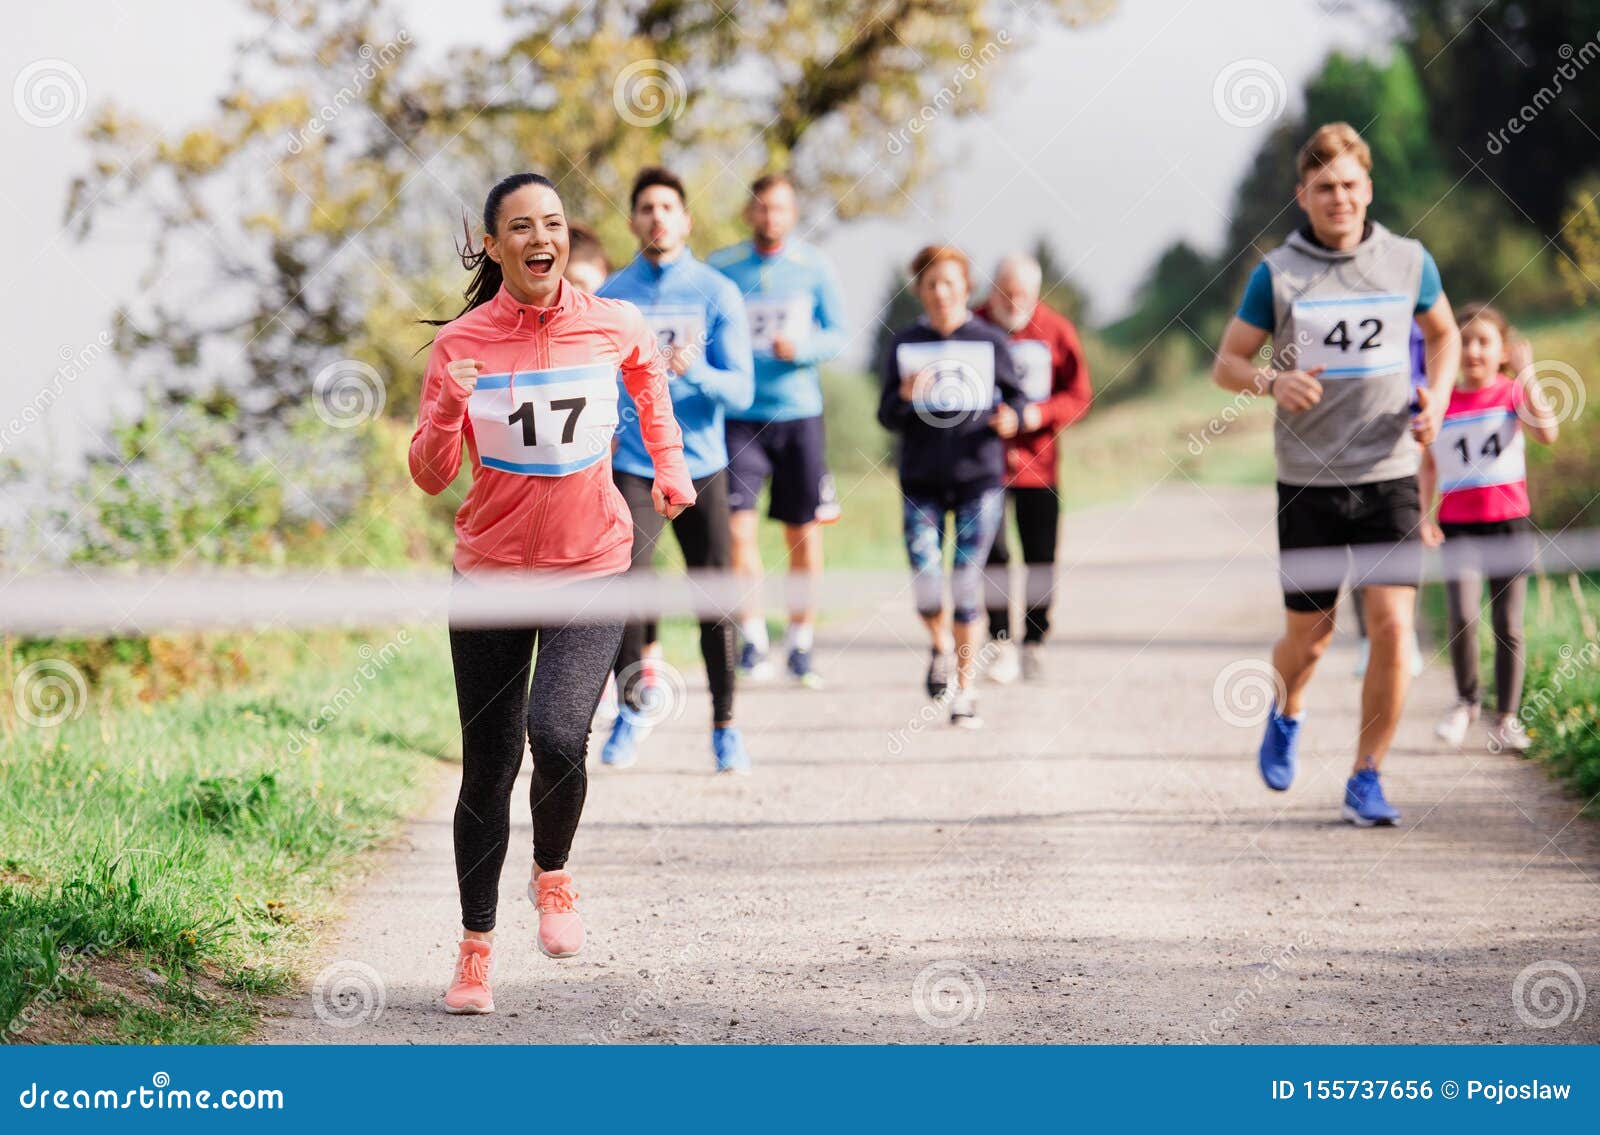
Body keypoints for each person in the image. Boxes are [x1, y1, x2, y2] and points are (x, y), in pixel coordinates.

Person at [409, 173, 694, 1014]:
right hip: (490, 577)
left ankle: (554, 874)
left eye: (555, 223)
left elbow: (649, 383)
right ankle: (474, 948)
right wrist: (446, 412)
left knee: (560, 731)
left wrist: (669, 464)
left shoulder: (613, 322)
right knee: (488, 768)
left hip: (592, 563)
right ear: (494, 247)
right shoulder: (463, 342)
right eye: (521, 227)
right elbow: (430, 476)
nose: (544, 238)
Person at [1211, 121, 1461, 827]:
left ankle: (1366, 774)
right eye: (1325, 188)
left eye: (1350, 185)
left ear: (1369, 188)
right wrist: (1270, 384)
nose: (1339, 198)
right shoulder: (1278, 273)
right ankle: (1287, 708)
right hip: (1309, 481)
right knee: (1311, 638)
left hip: (1390, 471)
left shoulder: (1410, 262)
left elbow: (1444, 332)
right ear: (1303, 195)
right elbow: (1226, 362)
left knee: (1392, 626)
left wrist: (1436, 397)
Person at [597, 166, 756, 772]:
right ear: (633, 221)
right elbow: (600, 379)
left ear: (685, 220)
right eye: (645, 208)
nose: (657, 216)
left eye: (668, 206)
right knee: (628, 584)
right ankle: (636, 708)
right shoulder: (614, 294)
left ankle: (725, 726)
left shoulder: (717, 292)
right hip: (634, 462)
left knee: (714, 593)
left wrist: (695, 372)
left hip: (702, 464)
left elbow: (742, 392)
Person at [878, 244, 1027, 728]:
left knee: (965, 587)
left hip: (978, 480)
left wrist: (1014, 418)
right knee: (926, 584)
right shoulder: (903, 344)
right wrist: (903, 397)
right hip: (920, 480)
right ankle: (940, 646)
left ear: (966, 287)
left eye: (949, 282)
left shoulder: (989, 342)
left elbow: (1019, 399)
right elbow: (886, 415)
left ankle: (965, 690)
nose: (940, 292)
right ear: (920, 291)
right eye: (930, 284)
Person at [708, 173, 849, 688]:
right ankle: (753, 638)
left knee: (803, 533)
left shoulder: (813, 267)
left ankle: (801, 642)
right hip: (740, 416)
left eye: (780, 209)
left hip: (798, 415)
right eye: (762, 208)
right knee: (738, 529)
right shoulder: (723, 268)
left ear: (793, 214)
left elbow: (839, 334)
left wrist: (803, 348)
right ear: (750, 213)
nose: (771, 217)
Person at [1422, 303, 1558, 751]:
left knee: (1508, 624)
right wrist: (1425, 513)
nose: (1473, 350)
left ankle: (1507, 717)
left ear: (1502, 350)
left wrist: (1529, 374)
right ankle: (1465, 701)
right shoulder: (1441, 400)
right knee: (1462, 616)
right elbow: (1427, 462)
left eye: (1484, 341)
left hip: (1509, 525)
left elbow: (1548, 432)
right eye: (1464, 341)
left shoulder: (1512, 394)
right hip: (1458, 526)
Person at [975, 253, 1092, 684]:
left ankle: (1036, 639)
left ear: (1036, 293)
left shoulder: (1057, 330)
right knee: (994, 555)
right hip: (984, 466)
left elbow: (1079, 395)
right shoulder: (974, 328)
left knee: (1040, 557)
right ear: (992, 289)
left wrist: (1035, 416)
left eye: (1021, 292)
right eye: (1005, 290)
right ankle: (1000, 639)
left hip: (1040, 467)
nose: (1013, 300)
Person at [1350, 321, 1428, 680]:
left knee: (1404, 538)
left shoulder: (1417, 315)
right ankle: (1367, 637)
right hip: (1353, 444)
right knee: (1357, 546)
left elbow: (1431, 368)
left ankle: (1403, 632)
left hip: (1406, 438)